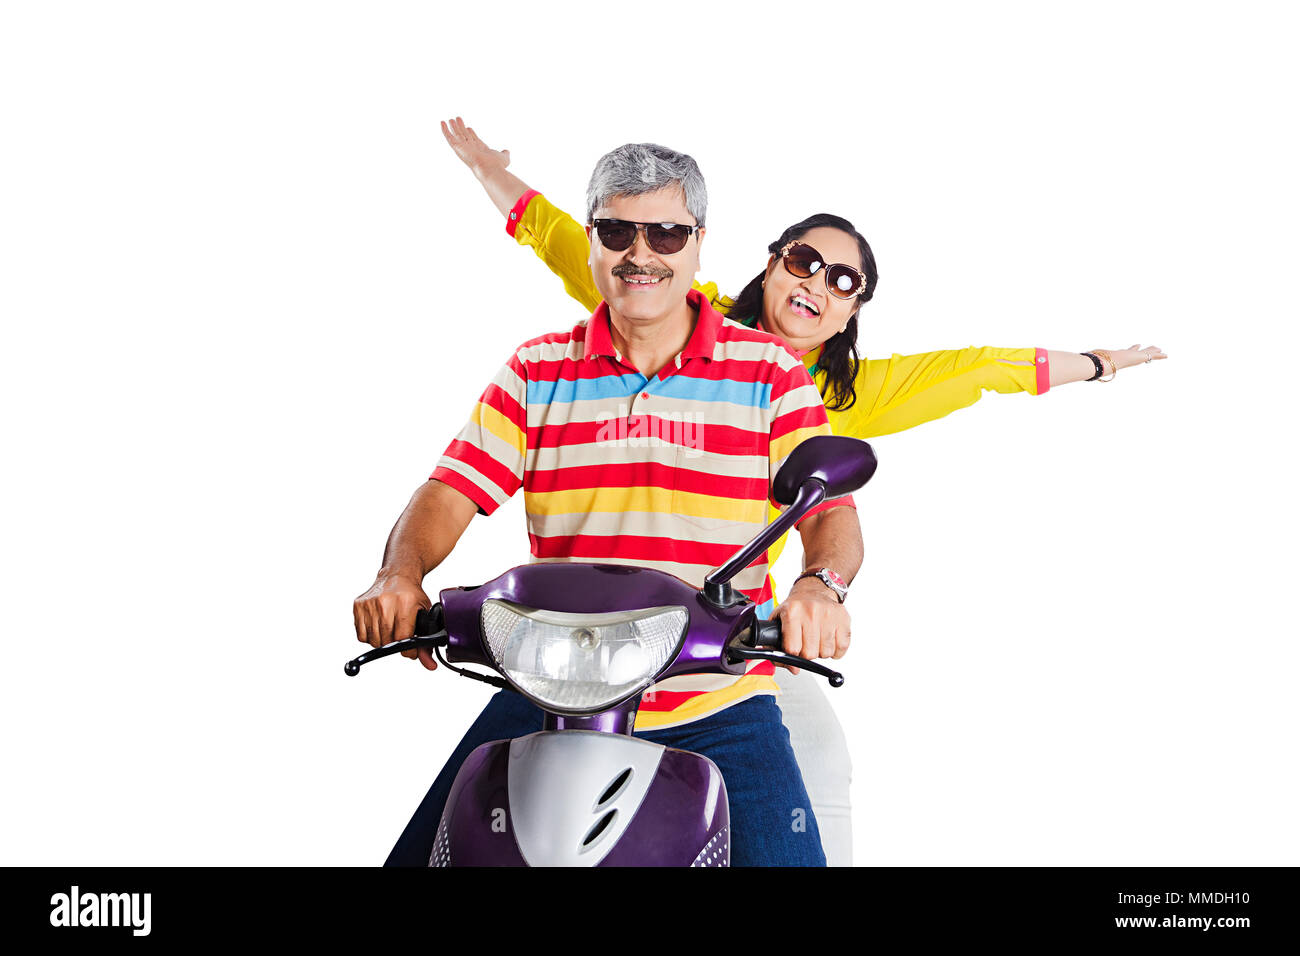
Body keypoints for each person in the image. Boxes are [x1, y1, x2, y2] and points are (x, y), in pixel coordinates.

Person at [440, 117, 1169, 866]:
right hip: (578, 658)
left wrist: (1097, 361)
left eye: (842, 280)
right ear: (770, 264)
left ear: (853, 310)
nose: (816, 282)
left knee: (812, 779)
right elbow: (565, 237)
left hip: (725, 647)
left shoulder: (833, 394)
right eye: (804, 260)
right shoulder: (657, 293)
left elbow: (974, 369)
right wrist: (489, 170)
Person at [355, 141, 864, 866]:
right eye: (617, 231)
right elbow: (450, 492)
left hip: (715, 702)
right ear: (592, 240)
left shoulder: (770, 375)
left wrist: (822, 585)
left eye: (666, 233)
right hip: (554, 696)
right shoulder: (538, 371)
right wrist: (400, 575)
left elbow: (831, 514)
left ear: (697, 245)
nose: (641, 254)